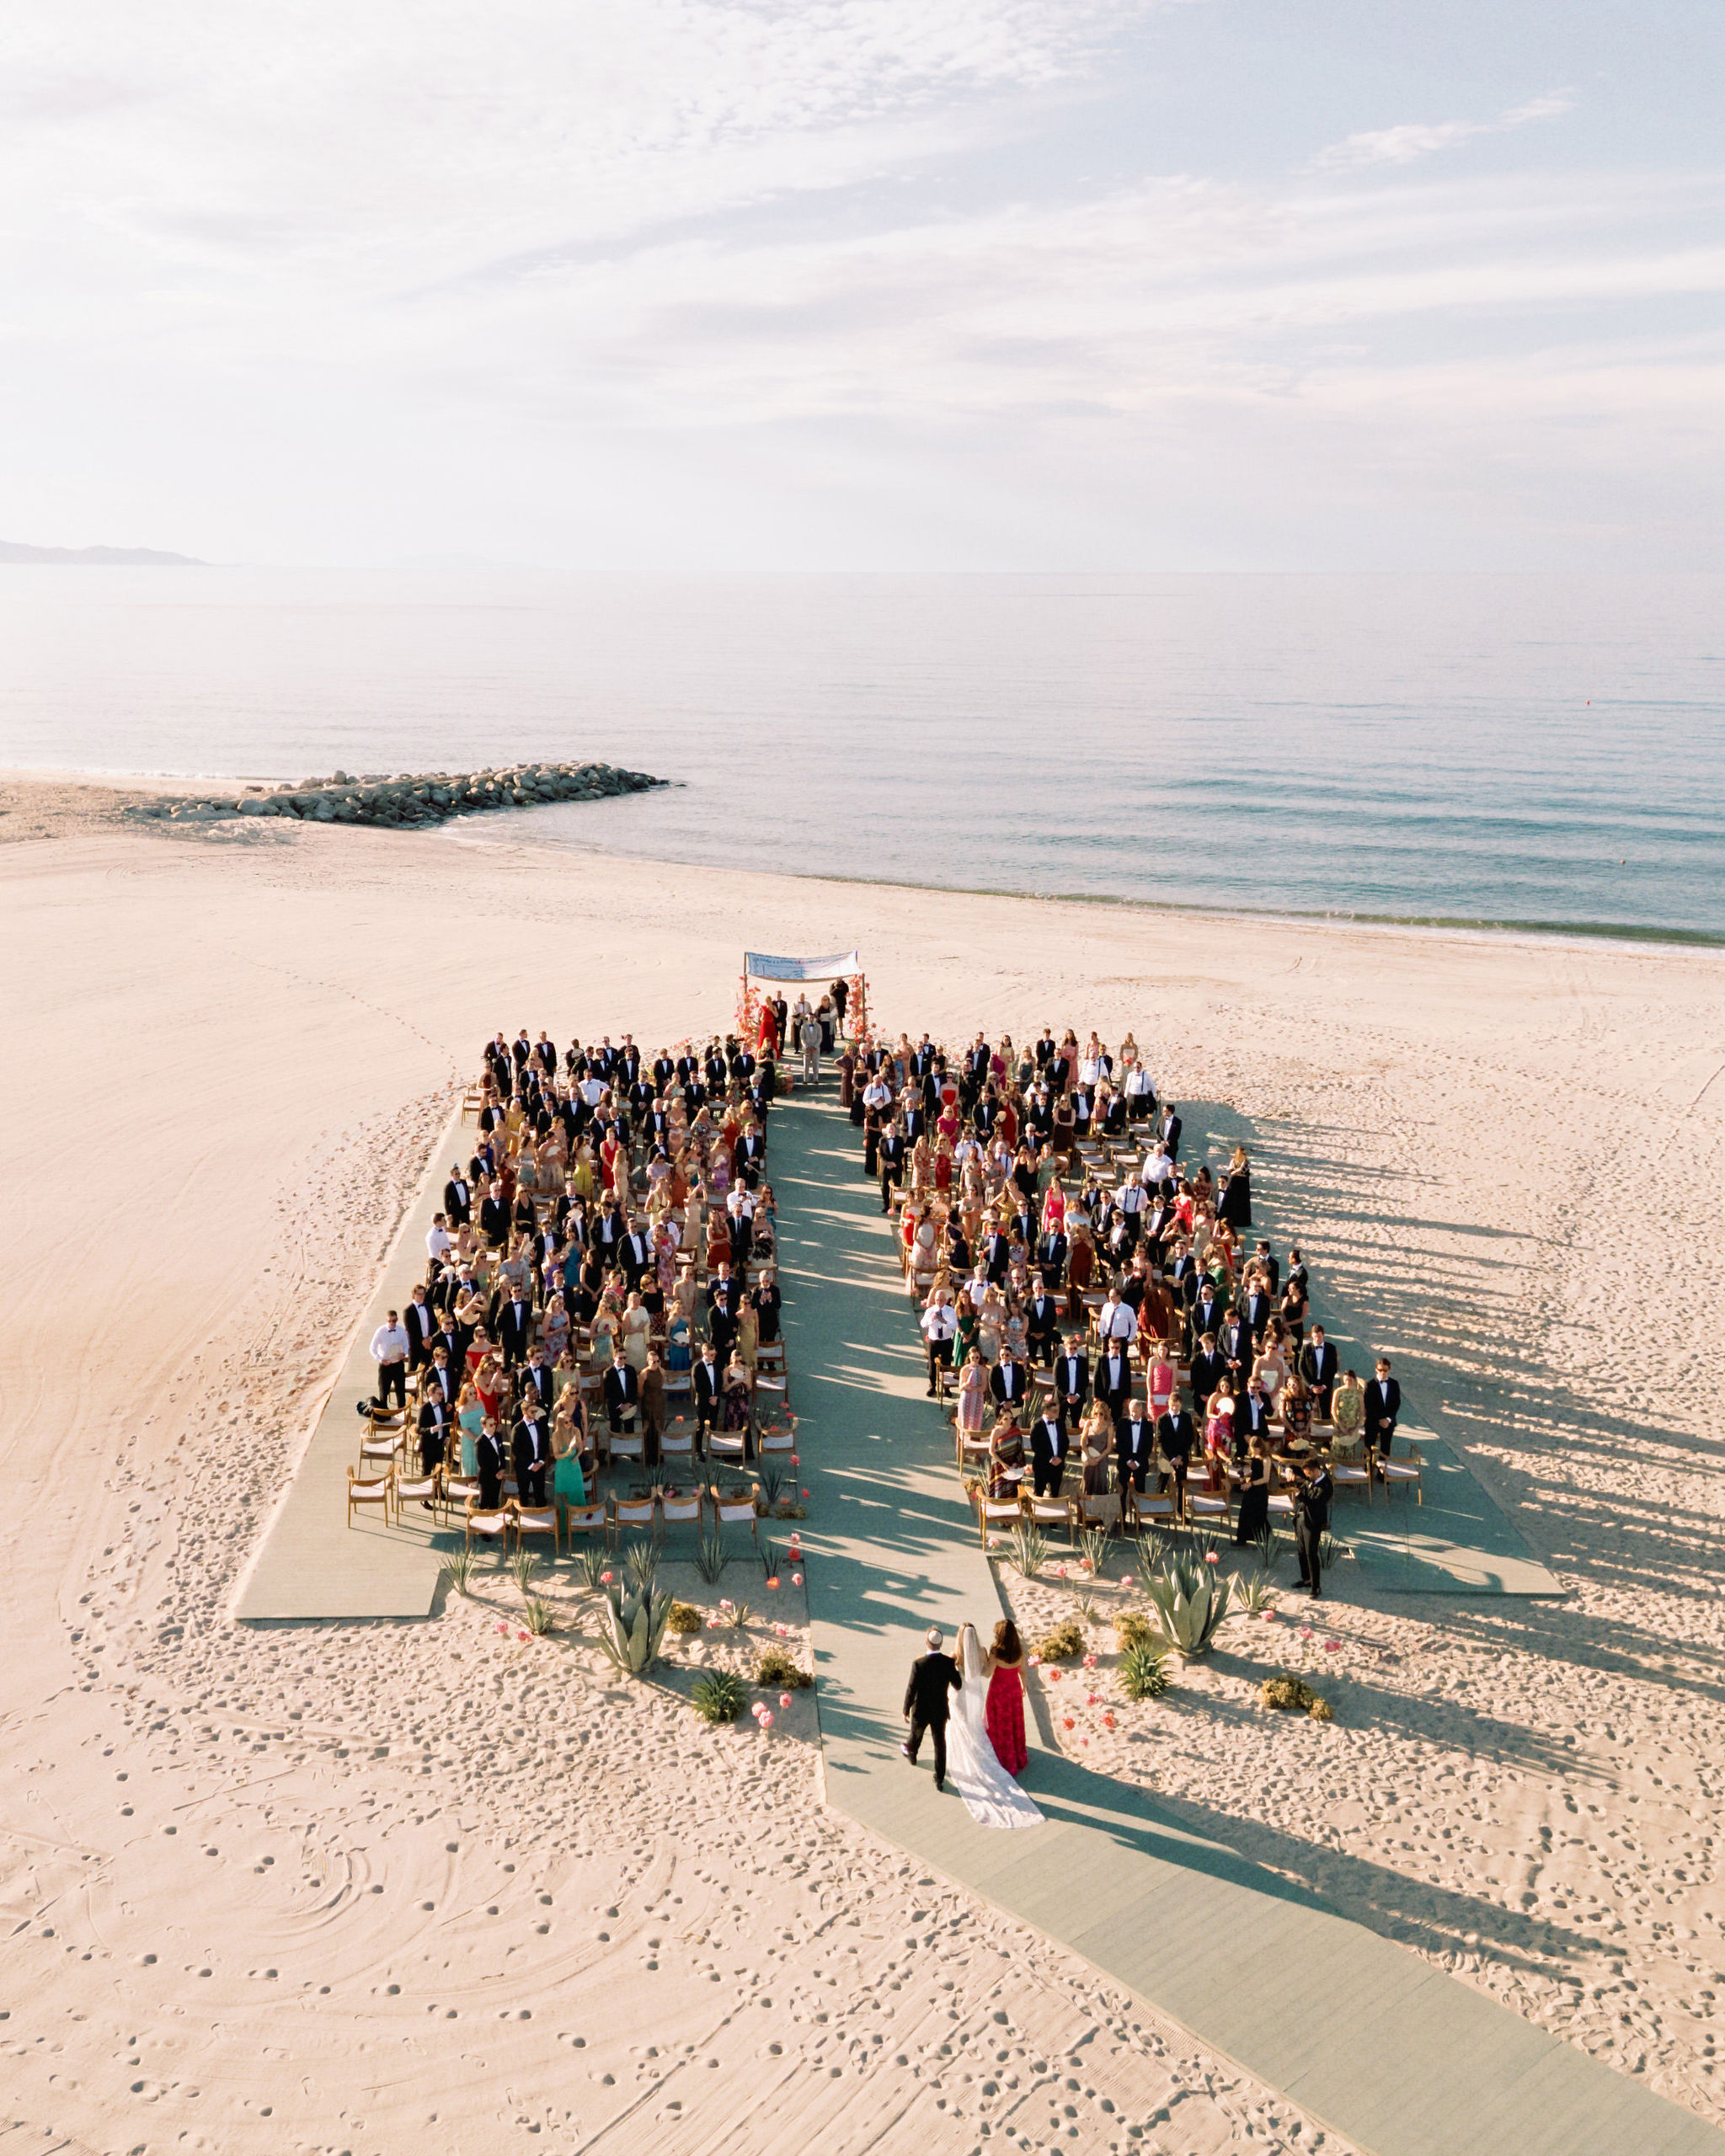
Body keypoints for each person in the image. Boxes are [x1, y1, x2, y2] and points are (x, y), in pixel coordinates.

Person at [902, 1625, 963, 1792]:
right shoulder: (948, 1663)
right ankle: (940, 1778)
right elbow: (958, 1684)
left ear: (926, 1642)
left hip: (921, 1709)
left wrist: (906, 1710)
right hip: (939, 1710)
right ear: (940, 1644)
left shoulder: (918, 1664)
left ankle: (912, 1755)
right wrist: (954, 1667)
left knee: (916, 1734)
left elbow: (911, 1689)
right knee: (940, 1744)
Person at [1294, 1453, 1333, 1596]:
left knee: (1311, 1553)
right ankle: (1306, 1579)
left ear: (1316, 1470)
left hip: (1314, 1521)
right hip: (1302, 1518)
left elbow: (1316, 1503)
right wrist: (1290, 1471)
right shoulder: (1311, 1479)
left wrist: (1300, 1496)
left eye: (1308, 1473)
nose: (1307, 1476)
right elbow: (1295, 1469)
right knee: (1301, 1551)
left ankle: (1315, 1586)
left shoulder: (1326, 1485)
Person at [369, 1309, 410, 1409]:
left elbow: (407, 1345)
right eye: (389, 1321)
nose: (392, 1323)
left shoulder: (401, 1330)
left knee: (401, 1392)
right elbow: (372, 1348)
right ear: (386, 1320)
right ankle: (384, 1414)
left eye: (394, 1321)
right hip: (385, 1366)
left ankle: (402, 1413)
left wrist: (404, 1353)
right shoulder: (380, 1331)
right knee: (383, 1392)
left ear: (397, 1320)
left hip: (398, 1365)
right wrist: (380, 1359)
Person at [1233, 1438, 1271, 1545]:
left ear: (1261, 1448)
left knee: (1259, 1515)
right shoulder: (1254, 1456)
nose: (1255, 1452)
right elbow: (1255, 1471)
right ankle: (1242, 1539)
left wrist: (1251, 1484)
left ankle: (1264, 1538)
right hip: (1252, 1486)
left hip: (1260, 1489)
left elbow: (1265, 1478)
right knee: (1245, 1512)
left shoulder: (1266, 1459)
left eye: (1256, 1449)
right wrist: (1246, 1476)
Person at [1364, 1356, 1402, 1458]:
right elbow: (1368, 1405)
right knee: (1368, 1448)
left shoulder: (1394, 1384)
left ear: (1389, 1369)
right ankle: (1367, 1467)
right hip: (1373, 1421)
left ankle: (1383, 1468)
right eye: (1380, 1370)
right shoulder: (1370, 1384)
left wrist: (1388, 1419)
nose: (1382, 1372)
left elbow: (1396, 1404)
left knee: (1385, 1449)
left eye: (1385, 1370)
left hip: (1388, 1421)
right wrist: (1380, 1419)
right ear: (1376, 1369)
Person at [921, 1292, 958, 1397]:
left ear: (945, 1300)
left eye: (941, 1300)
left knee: (946, 1365)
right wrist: (932, 1319)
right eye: (937, 1300)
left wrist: (944, 1321)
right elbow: (923, 1324)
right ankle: (933, 1386)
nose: (939, 1302)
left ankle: (947, 1388)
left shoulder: (950, 1311)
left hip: (946, 1340)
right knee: (932, 1364)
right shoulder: (930, 1310)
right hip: (934, 1341)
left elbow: (954, 1325)